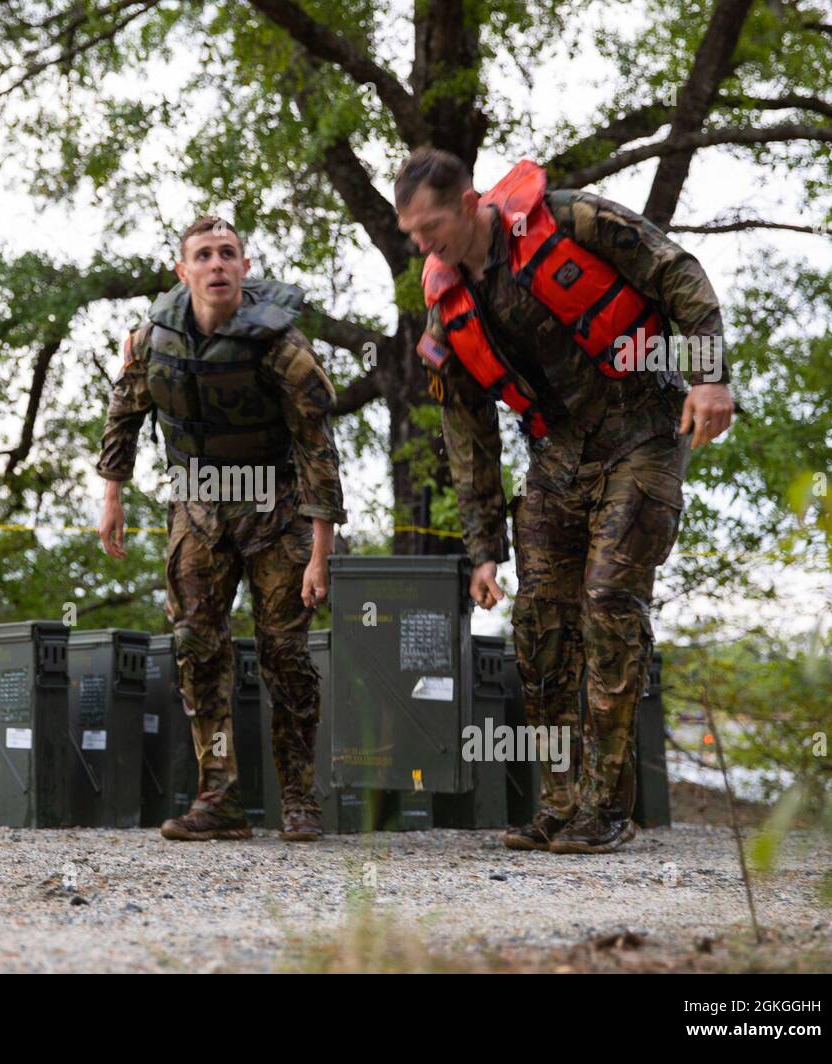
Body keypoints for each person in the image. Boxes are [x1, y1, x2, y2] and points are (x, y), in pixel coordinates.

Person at [395, 150, 734, 853]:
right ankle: (558, 804)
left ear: (468, 202)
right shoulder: (445, 312)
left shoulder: (573, 218)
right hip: (557, 454)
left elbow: (679, 272)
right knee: (540, 625)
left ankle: (607, 808)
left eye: (431, 226)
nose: (424, 245)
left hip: (644, 426)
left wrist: (709, 377)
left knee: (609, 600)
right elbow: (467, 434)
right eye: (412, 235)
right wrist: (483, 549)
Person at [96, 216, 347, 842]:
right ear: (183, 272)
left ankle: (298, 800)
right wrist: (112, 497)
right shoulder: (153, 341)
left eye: (227, 254)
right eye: (203, 256)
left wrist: (320, 555)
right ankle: (219, 798)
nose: (216, 265)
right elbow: (124, 413)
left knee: (285, 655)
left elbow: (319, 451)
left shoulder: (284, 350)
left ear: (244, 267)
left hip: (277, 511)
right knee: (197, 648)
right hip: (199, 507)